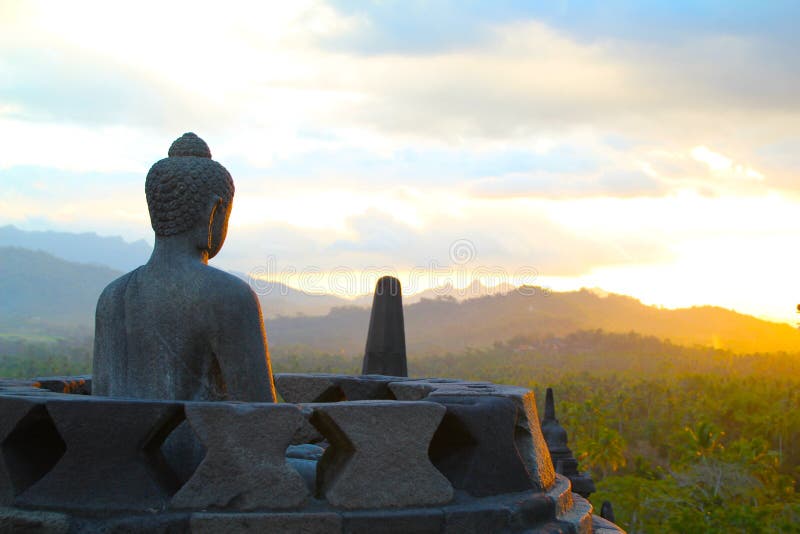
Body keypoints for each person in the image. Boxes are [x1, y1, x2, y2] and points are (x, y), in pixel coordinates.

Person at [92, 133, 276, 403]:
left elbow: (99, 404)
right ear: (214, 212)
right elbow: (261, 418)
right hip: (204, 446)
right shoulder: (228, 295)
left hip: (117, 446)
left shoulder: (112, 296)